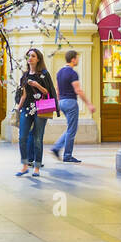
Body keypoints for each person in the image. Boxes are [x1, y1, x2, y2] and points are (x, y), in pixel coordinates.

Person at [15, 47, 58, 177]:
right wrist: (18, 108)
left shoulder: (44, 74)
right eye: (29, 56)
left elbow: (48, 91)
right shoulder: (25, 75)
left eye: (33, 56)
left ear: (38, 59)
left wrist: (37, 85)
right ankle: (24, 165)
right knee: (22, 137)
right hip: (27, 109)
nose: (30, 58)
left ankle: (37, 167)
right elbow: (23, 95)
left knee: (38, 139)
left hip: (40, 109)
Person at [52, 49, 96, 163]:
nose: (78, 60)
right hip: (71, 103)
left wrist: (57, 103)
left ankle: (57, 148)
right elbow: (78, 90)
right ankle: (66, 155)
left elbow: (57, 89)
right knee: (72, 129)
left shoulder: (60, 72)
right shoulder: (73, 73)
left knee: (70, 128)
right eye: (77, 58)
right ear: (73, 59)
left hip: (61, 102)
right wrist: (89, 104)